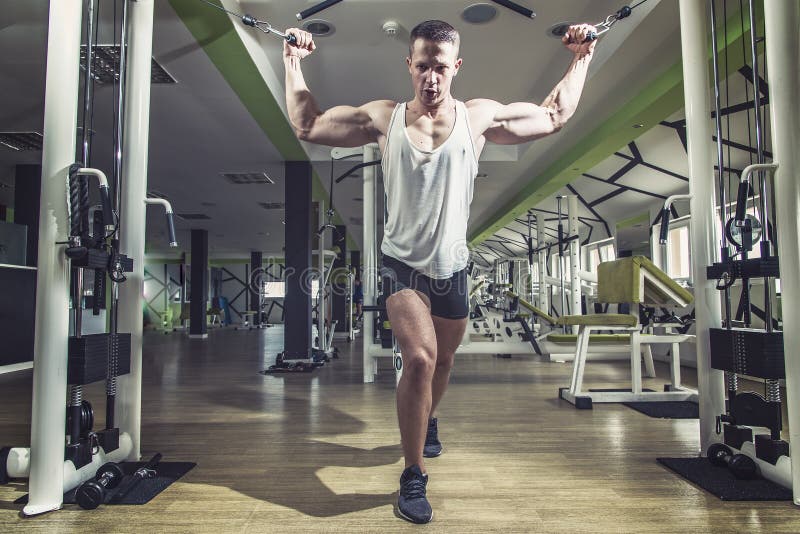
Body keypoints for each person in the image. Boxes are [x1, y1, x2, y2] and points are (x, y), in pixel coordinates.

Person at [283, 19, 597, 524]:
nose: (432, 77)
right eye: (423, 65)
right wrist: (293, 60)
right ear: (409, 64)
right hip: (400, 265)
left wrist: (582, 56)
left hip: (452, 268)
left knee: (445, 363)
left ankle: (427, 419)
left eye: (441, 67)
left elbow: (554, 114)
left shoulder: (477, 119)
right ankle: (413, 475)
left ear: (457, 68)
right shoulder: (384, 119)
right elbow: (307, 125)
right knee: (422, 360)